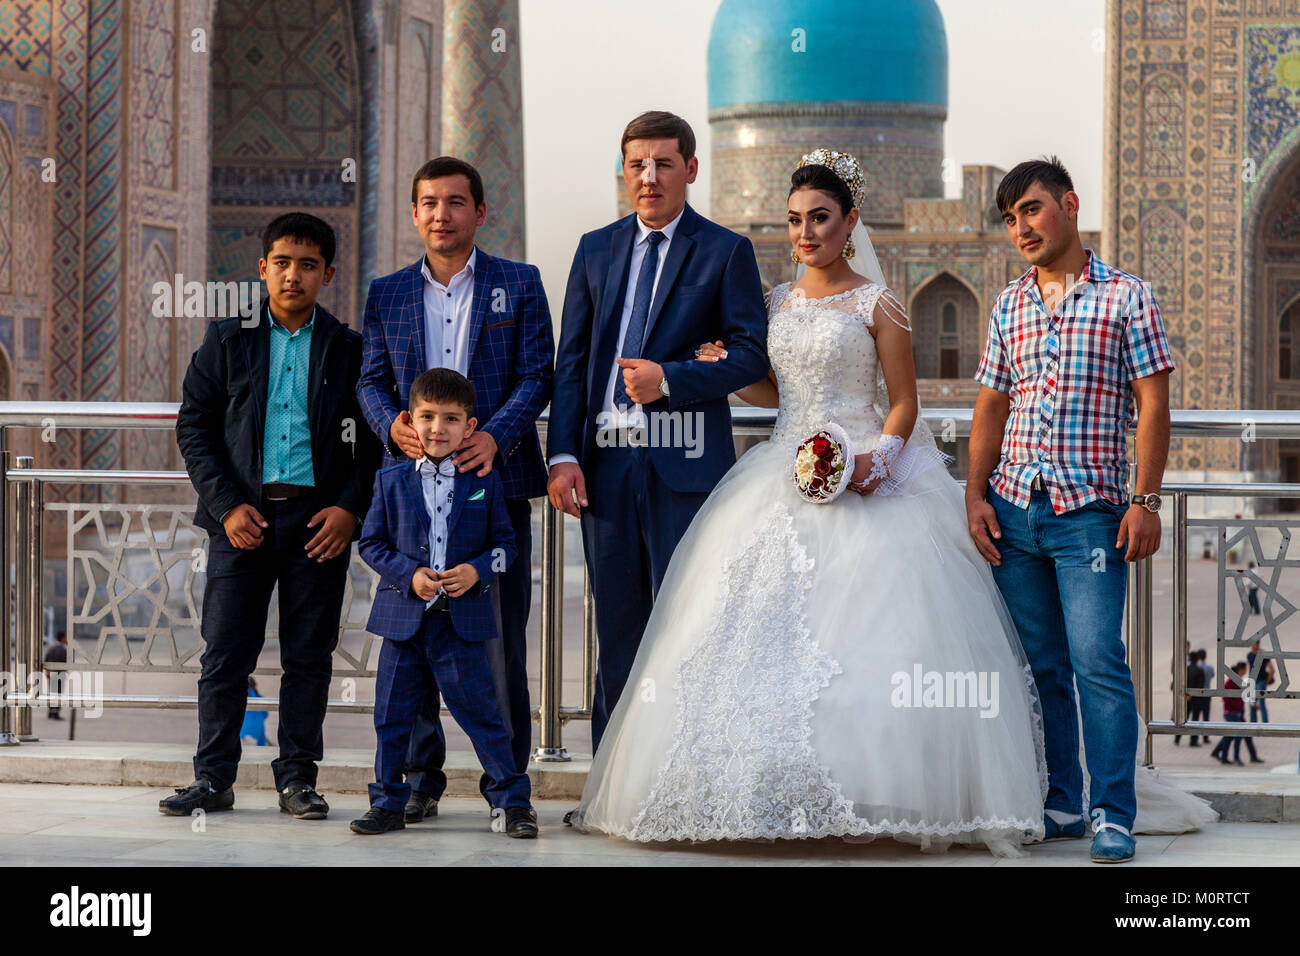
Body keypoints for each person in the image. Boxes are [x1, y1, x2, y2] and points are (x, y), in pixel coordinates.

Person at [568, 148, 1049, 857]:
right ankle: (758, 793)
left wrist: (873, 460)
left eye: (819, 219)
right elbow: (775, 390)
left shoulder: (877, 302)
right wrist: (719, 376)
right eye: (794, 221)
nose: (805, 233)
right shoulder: (774, 303)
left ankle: (874, 795)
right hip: (781, 471)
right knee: (740, 638)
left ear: (850, 222)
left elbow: (904, 402)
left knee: (868, 648)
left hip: (864, 478)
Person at [966, 157, 1173, 863]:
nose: (1021, 227)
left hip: (1090, 509)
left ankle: (1113, 811)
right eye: (1010, 218)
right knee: (1043, 664)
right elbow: (992, 405)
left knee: (1097, 660)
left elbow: (1152, 405)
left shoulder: (1126, 297)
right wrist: (974, 494)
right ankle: (1062, 799)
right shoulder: (1010, 303)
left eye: (1031, 209)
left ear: (1069, 205)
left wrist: (1144, 499)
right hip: (1015, 506)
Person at [546, 111, 769, 758]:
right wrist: (563, 455)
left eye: (663, 163)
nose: (648, 177)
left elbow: (751, 356)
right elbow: (572, 364)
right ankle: (612, 780)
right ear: (624, 170)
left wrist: (669, 380)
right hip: (604, 470)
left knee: (688, 627)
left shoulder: (724, 251)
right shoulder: (595, 249)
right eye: (637, 164)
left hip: (686, 470)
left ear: (690, 170)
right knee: (616, 630)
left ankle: (682, 777)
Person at [165, 213, 382, 819]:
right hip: (242, 524)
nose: (294, 275)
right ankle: (213, 779)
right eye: (282, 263)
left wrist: (346, 508)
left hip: (317, 526)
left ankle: (297, 780)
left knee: (308, 658)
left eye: (308, 265)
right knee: (225, 654)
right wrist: (228, 505)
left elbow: (371, 444)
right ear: (262, 268)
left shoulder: (348, 350)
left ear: (328, 274)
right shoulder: (228, 339)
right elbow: (195, 428)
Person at [357, 156, 553, 822]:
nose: (442, 215)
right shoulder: (387, 293)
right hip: (411, 497)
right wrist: (395, 429)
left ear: (480, 212)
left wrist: (493, 436)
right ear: (415, 213)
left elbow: (536, 376)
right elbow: (370, 381)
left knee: (496, 647)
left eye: (456, 202)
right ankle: (418, 780)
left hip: (489, 488)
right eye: (430, 203)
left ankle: (509, 792)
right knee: (411, 642)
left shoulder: (518, 285)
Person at [349, 368, 536, 838]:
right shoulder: (389, 479)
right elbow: (370, 544)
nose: (437, 428)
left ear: (469, 428)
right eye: (427, 417)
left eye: (451, 419)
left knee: (484, 717)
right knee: (392, 717)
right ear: (411, 420)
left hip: (460, 624)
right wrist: (408, 574)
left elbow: (506, 547)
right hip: (402, 626)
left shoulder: (484, 482)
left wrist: (477, 569)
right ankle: (389, 801)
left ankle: (512, 802)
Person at [1210, 663, 1259, 765]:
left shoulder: (1239, 683)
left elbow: (1245, 697)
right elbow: (1225, 698)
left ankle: (1222, 755)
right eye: (1244, 669)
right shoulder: (1230, 683)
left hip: (1237, 714)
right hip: (1231, 713)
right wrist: (1237, 706)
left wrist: (1252, 705)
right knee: (1237, 735)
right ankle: (1235, 757)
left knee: (1233, 735)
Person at [1175, 649, 1205, 747]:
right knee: (1195, 720)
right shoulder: (1200, 671)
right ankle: (1193, 741)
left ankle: (1177, 738)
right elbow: (1200, 686)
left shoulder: (1185, 670)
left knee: (1183, 719)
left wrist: (1187, 694)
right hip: (1196, 700)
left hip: (1185, 699)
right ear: (1197, 660)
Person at [1247, 639, 1273, 726]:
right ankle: (1254, 723)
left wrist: (1266, 681)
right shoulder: (1249, 655)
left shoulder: (1263, 654)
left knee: (1260, 703)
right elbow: (1249, 668)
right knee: (1253, 703)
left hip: (1261, 681)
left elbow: (1271, 670)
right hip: (1252, 681)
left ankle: (1264, 724)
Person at [44, 632, 67, 720]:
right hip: (59, 675)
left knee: (52, 693)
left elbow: (46, 660)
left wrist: (49, 671)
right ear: (62, 638)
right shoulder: (61, 649)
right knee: (58, 694)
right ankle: (55, 713)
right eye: (66, 637)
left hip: (52, 675)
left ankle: (51, 712)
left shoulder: (51, 648)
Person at [241, 677, 269, 746]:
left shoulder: (240, 698)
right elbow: (265, 715)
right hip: (259, 730)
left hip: (242, 731)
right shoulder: (260, 698)